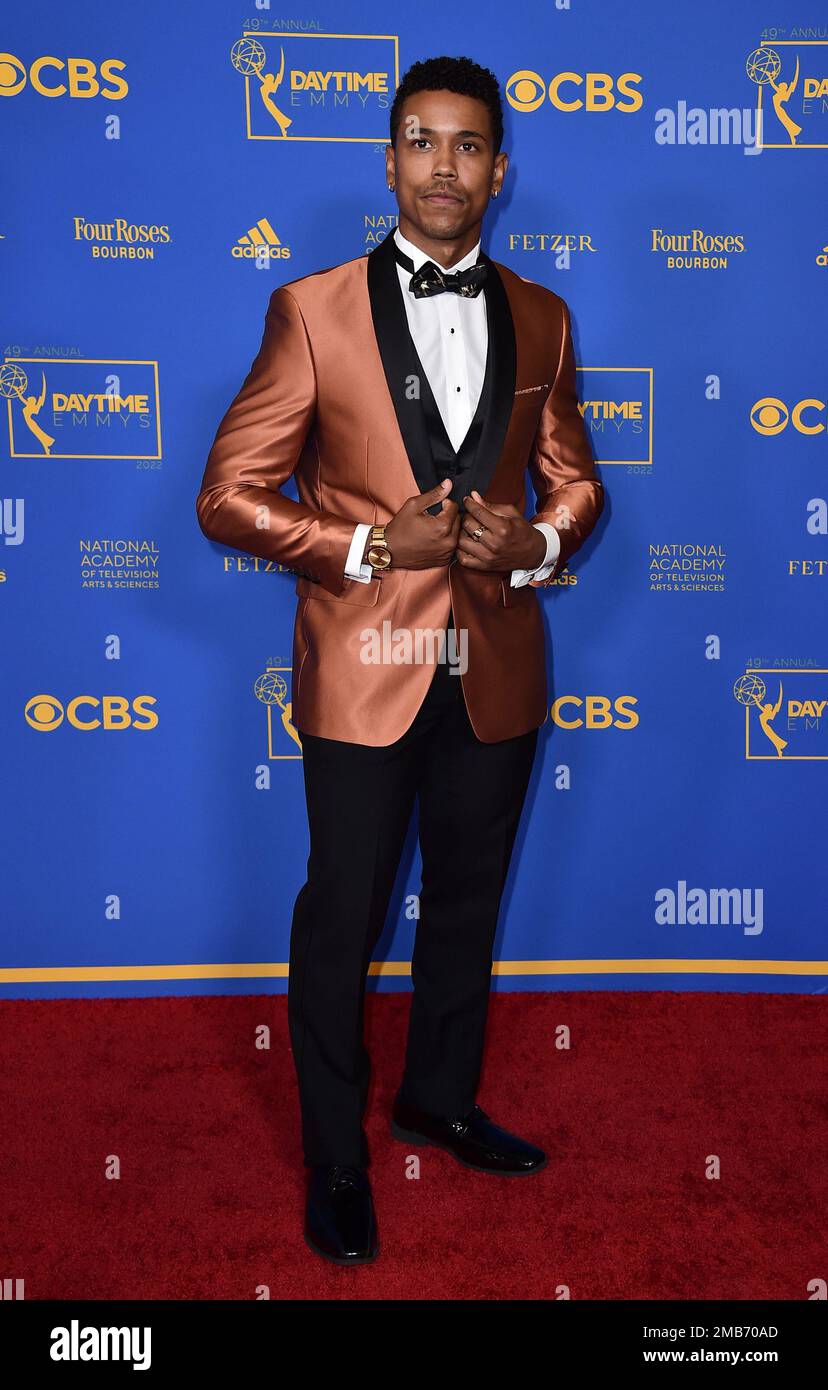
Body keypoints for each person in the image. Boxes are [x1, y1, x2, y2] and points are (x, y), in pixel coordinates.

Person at [196, 54, 604, 1266]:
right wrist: (372, 539)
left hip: (497, 667)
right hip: (362, 666)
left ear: (499, 170)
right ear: (390, 161)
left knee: (467, 909)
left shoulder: (543, 316)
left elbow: (579, 485)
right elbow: (228, 495)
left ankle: (440, 1096)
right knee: (344, 917)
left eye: (469, 145)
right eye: (422, 141)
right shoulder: (311, 308)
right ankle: (335, 1155)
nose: (445, 165)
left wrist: (531, 537)